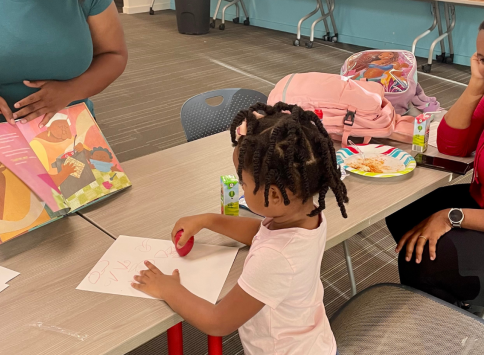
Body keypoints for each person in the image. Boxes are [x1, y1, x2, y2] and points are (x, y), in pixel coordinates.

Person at [132, 103, 349, 355]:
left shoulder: (276, 258)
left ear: (275, 196)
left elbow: (218, 322)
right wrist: (208, 220)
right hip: (309, 341)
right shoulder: (306, 213)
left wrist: (169, 289)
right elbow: (260, 233)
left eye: (243, 182)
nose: (240, 188)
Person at [384, 0, 484, 307]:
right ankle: (455, 297)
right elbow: (451, 145)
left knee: (422, 257)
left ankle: (448, 326)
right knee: (401, 211)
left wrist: (452, 217)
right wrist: (475, 86)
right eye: (482, 59)